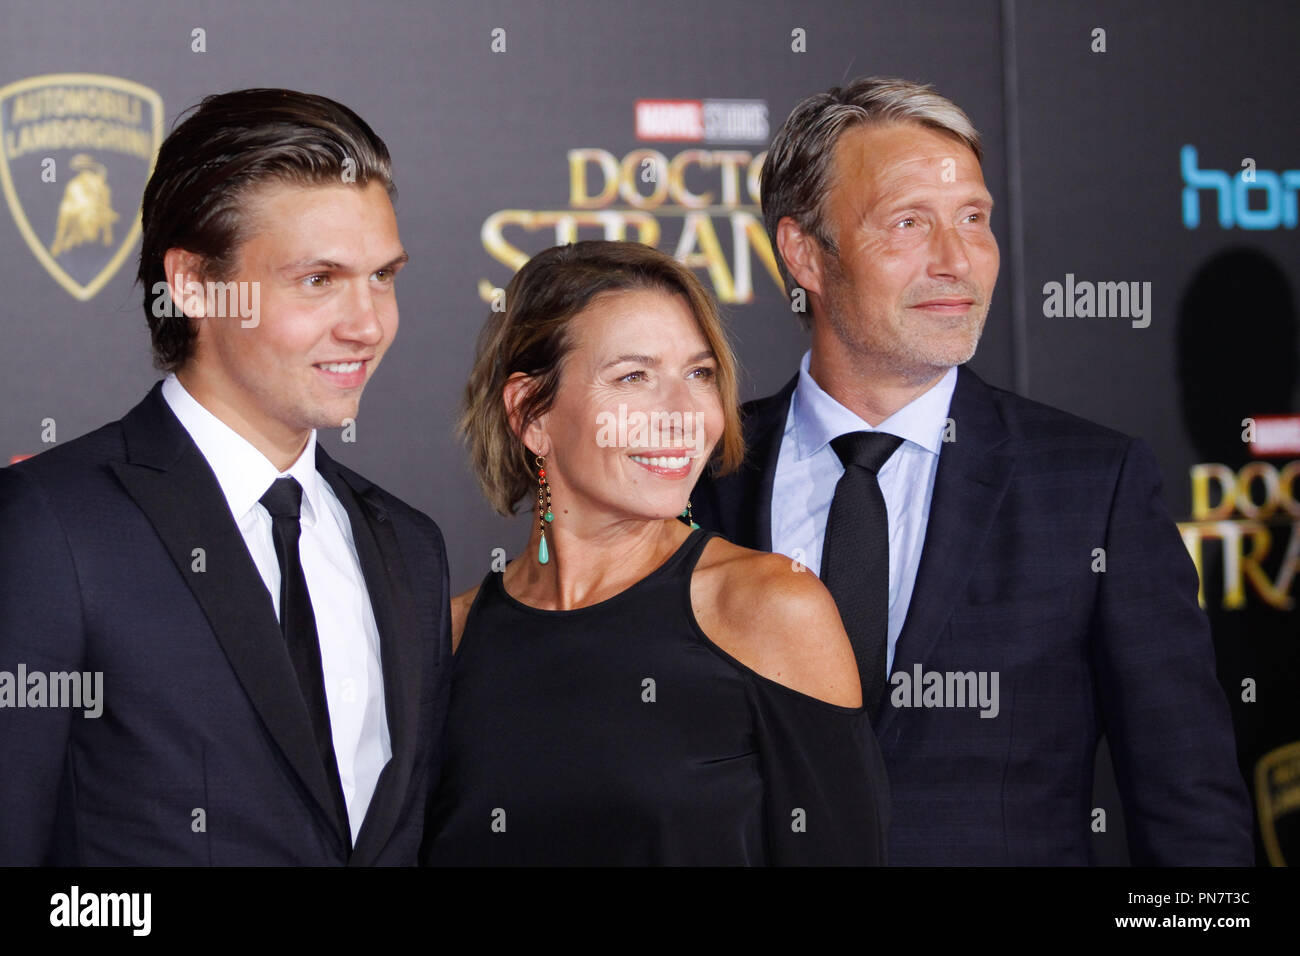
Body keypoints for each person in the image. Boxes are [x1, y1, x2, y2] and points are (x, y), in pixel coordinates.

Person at [689, 76, 1254, 865]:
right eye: (910, 223)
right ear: (804, 254)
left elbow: (1189, 808)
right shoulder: (696, 475)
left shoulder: (1092, 485)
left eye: (974, 220)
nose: (958, 261)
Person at [0, 89, 451, 865]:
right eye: (318, 280)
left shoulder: (410, 545)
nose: (367, 323)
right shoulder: (51, 526)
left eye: (383, 276)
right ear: (195, 285)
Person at [422, 240, 888, 865]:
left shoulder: (770, 608)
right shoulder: (448, 640)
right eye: (634, 376)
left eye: (699, 374)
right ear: (531, 412)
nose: (684, 414)